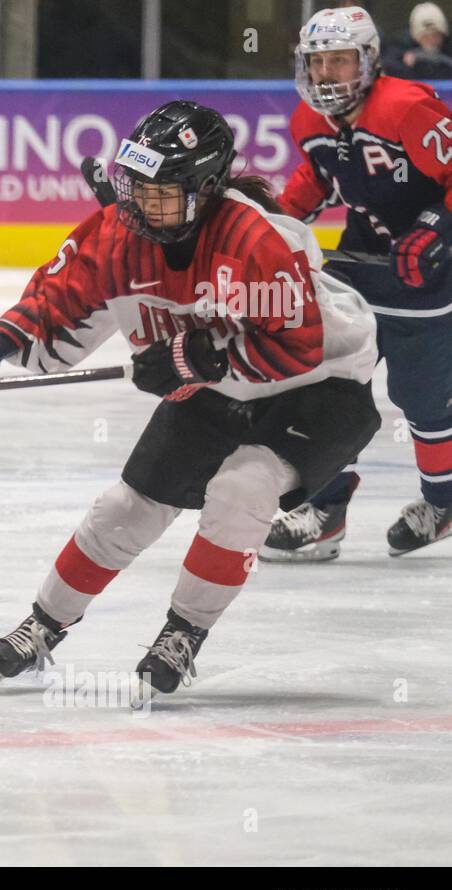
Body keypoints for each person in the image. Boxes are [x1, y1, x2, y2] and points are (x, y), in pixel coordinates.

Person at [0, 101, 380, 698]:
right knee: (125, 508)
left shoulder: (255, 241)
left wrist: (197, 357)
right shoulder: (118, 234)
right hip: (217, 386)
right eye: (133, 186)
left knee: (240, 490)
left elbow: (297, 349)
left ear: (205, 190)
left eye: (159, 192)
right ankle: (42, 625)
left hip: (321, 389)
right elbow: (52, 305)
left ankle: (184, 633)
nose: (139, 203)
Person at [264, 6, 452, 560]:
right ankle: (325, 508)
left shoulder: (408, 107)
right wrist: (268, 227)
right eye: (317, 62)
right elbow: (317, 180)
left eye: (340, 60)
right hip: (360, 267)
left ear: (368, 62)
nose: (327, 74)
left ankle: (442, 503)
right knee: (323, 385)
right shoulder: (309, 121)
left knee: (423, 398)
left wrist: (435, 229)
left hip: (432, 274)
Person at [383, 3, 452, 80]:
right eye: (425, 37)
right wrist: (405, 65)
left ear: (443, 35)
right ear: (416, 36)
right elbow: (389, 68)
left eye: (436, 36)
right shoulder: (401, 46)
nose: (431, 40)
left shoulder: (449, 47)